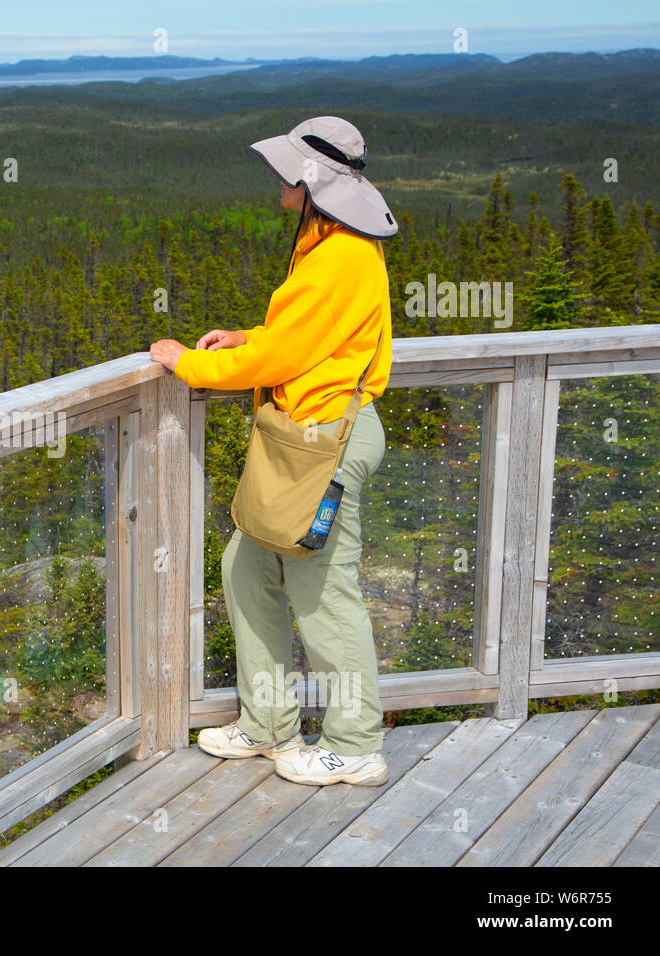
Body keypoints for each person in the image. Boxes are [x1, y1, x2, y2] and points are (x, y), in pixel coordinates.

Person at [148, 116, 395, 786]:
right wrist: (246, 337)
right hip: (305, 440)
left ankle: (354, 743)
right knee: (244, 565)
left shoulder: (341, 253)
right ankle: (268, 724)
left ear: (312, 180)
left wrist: (187, 364)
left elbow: (290, 351)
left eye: (287, 169)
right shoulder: (329, 240)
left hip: (327, 443)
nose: (277, 179)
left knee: (324, 597)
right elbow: (300, 335)